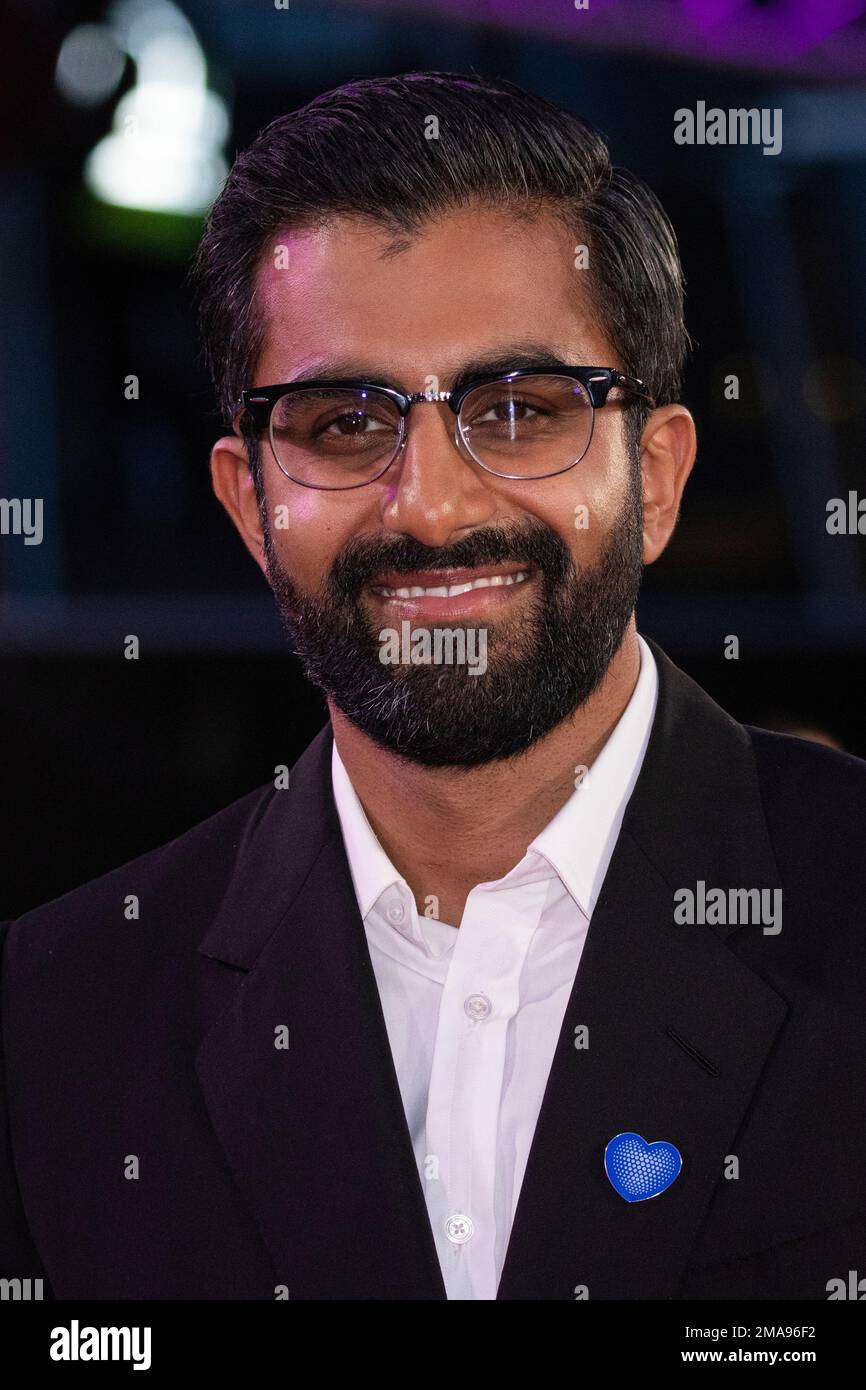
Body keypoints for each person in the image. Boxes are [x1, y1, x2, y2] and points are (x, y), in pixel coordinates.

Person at [2, 72, 865, 1302]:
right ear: (251, 503)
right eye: (345, 423)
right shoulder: (54, 1020)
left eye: (516, 411)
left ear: (657, 476)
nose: (432, 505)